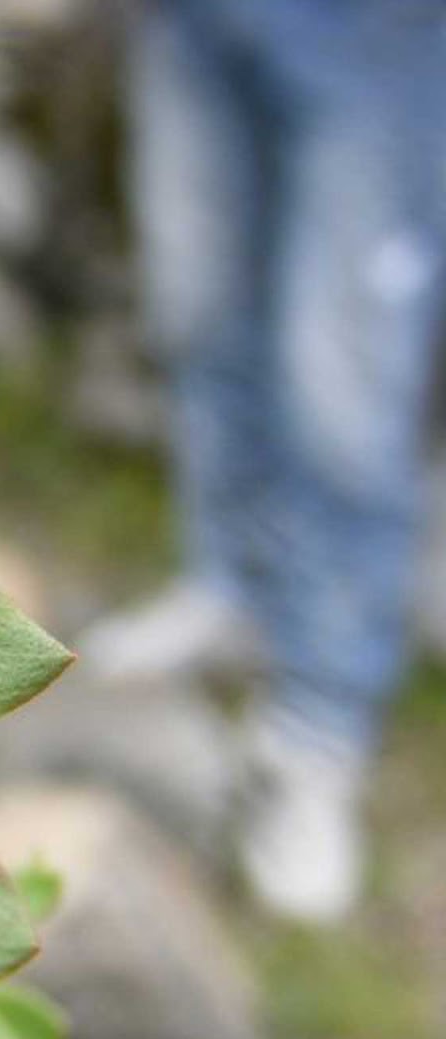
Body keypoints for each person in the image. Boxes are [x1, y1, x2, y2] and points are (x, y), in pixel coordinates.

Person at [84, 0, 446, 920]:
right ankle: (234, 587)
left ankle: (321, 723)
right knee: (201, 313)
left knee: (346, 391)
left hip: (385, 38)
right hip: (201, 19)